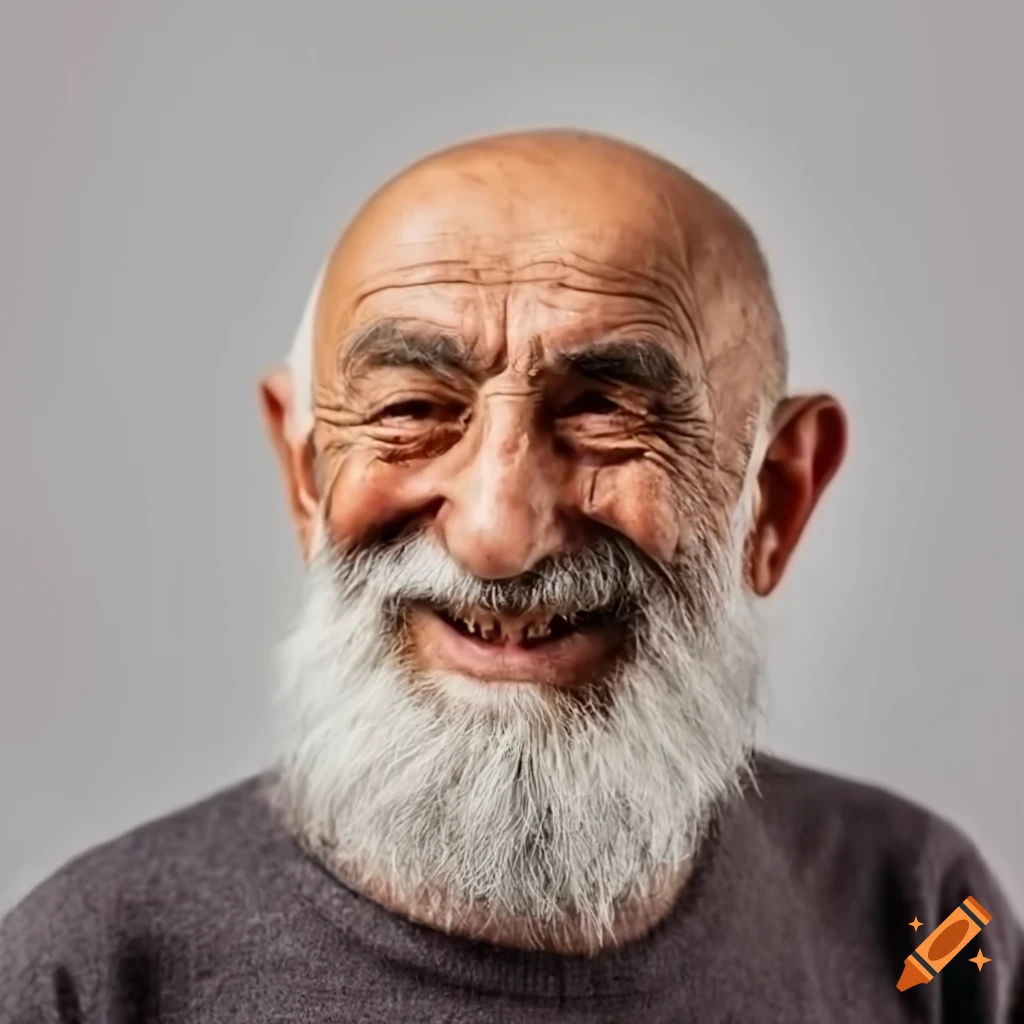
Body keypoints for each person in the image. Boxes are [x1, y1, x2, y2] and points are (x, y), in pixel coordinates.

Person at [1, 129, 1020, 1023]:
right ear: (304, 477)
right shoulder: (91, 979)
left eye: (605, 410)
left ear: (775, 498)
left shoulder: (927, 916)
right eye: (410, 408)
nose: (497, 533)